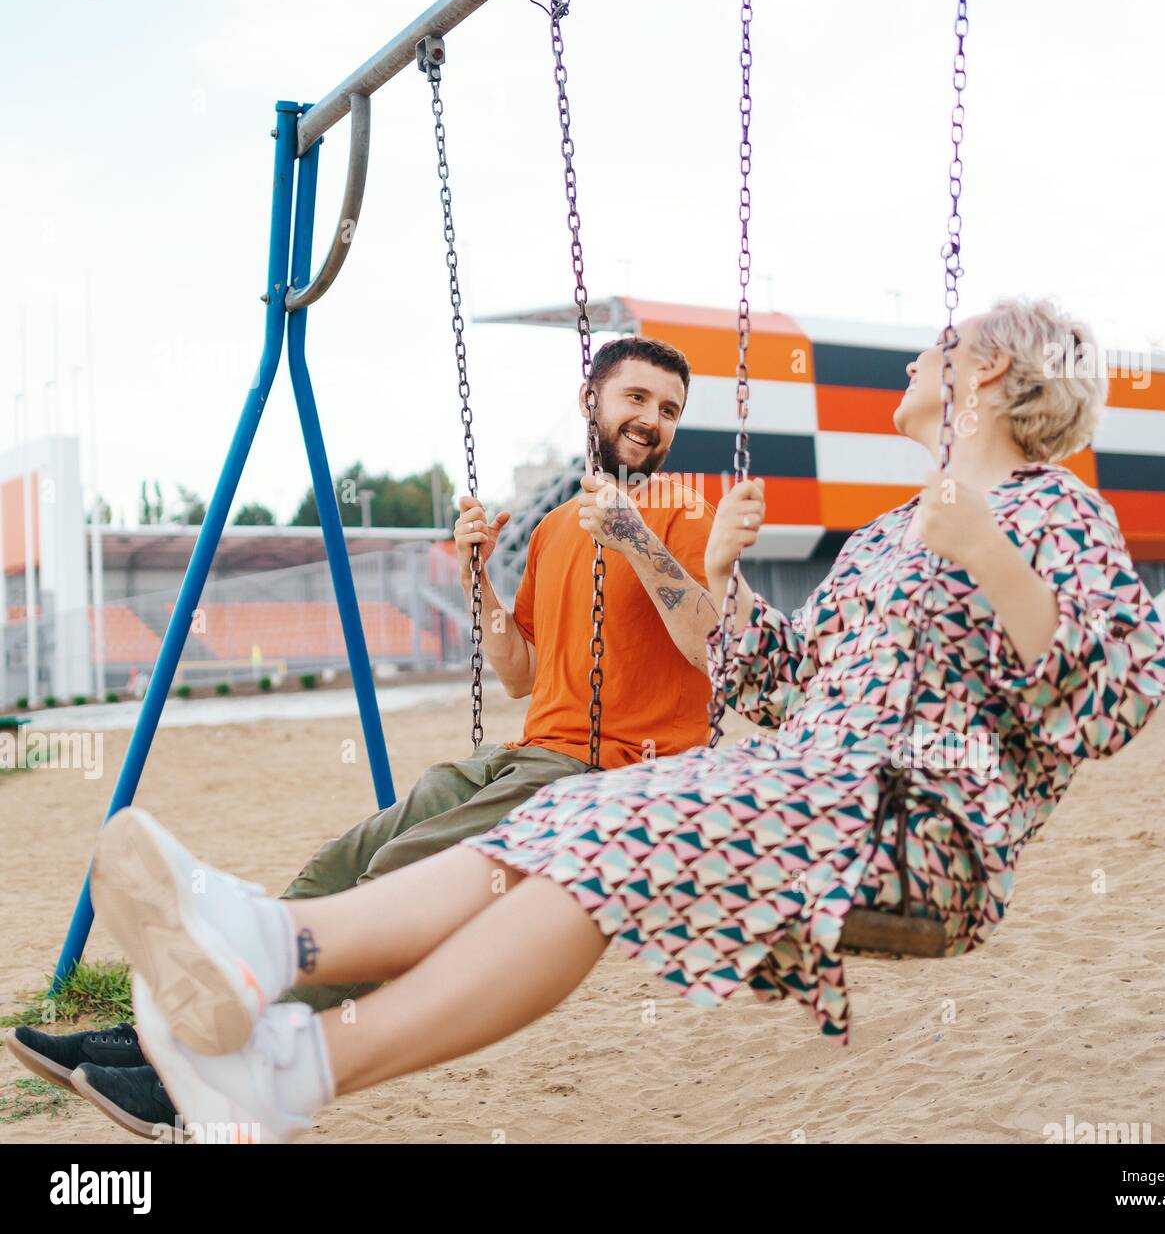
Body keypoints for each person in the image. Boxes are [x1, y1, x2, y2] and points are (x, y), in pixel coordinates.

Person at [86, 298, 1165, 1143]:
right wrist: (731, 578)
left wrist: (983, 547)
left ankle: (272, 984)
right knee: (563, 839)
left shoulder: (1050, 510)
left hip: (912, 830)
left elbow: (1118, 690)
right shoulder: (888, 533)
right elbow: (783, 681)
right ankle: (276, 1010)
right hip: (811, 793)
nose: (908, 363)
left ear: (985, 369)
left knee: (591, 818)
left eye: (937, 345)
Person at [3, 335, 718, 1139]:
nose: (651, 421)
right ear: (591, 400)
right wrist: (476, 575)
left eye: (669, 410)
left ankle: (209, 1080)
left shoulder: (688, 515)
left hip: (607, 773)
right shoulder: (554, 529)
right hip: (524, 755)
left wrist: (632, 535)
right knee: (338, 864)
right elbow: (518, 674)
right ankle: (166, 1037)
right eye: (637, 399)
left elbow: (713, 644)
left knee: (392, 877)